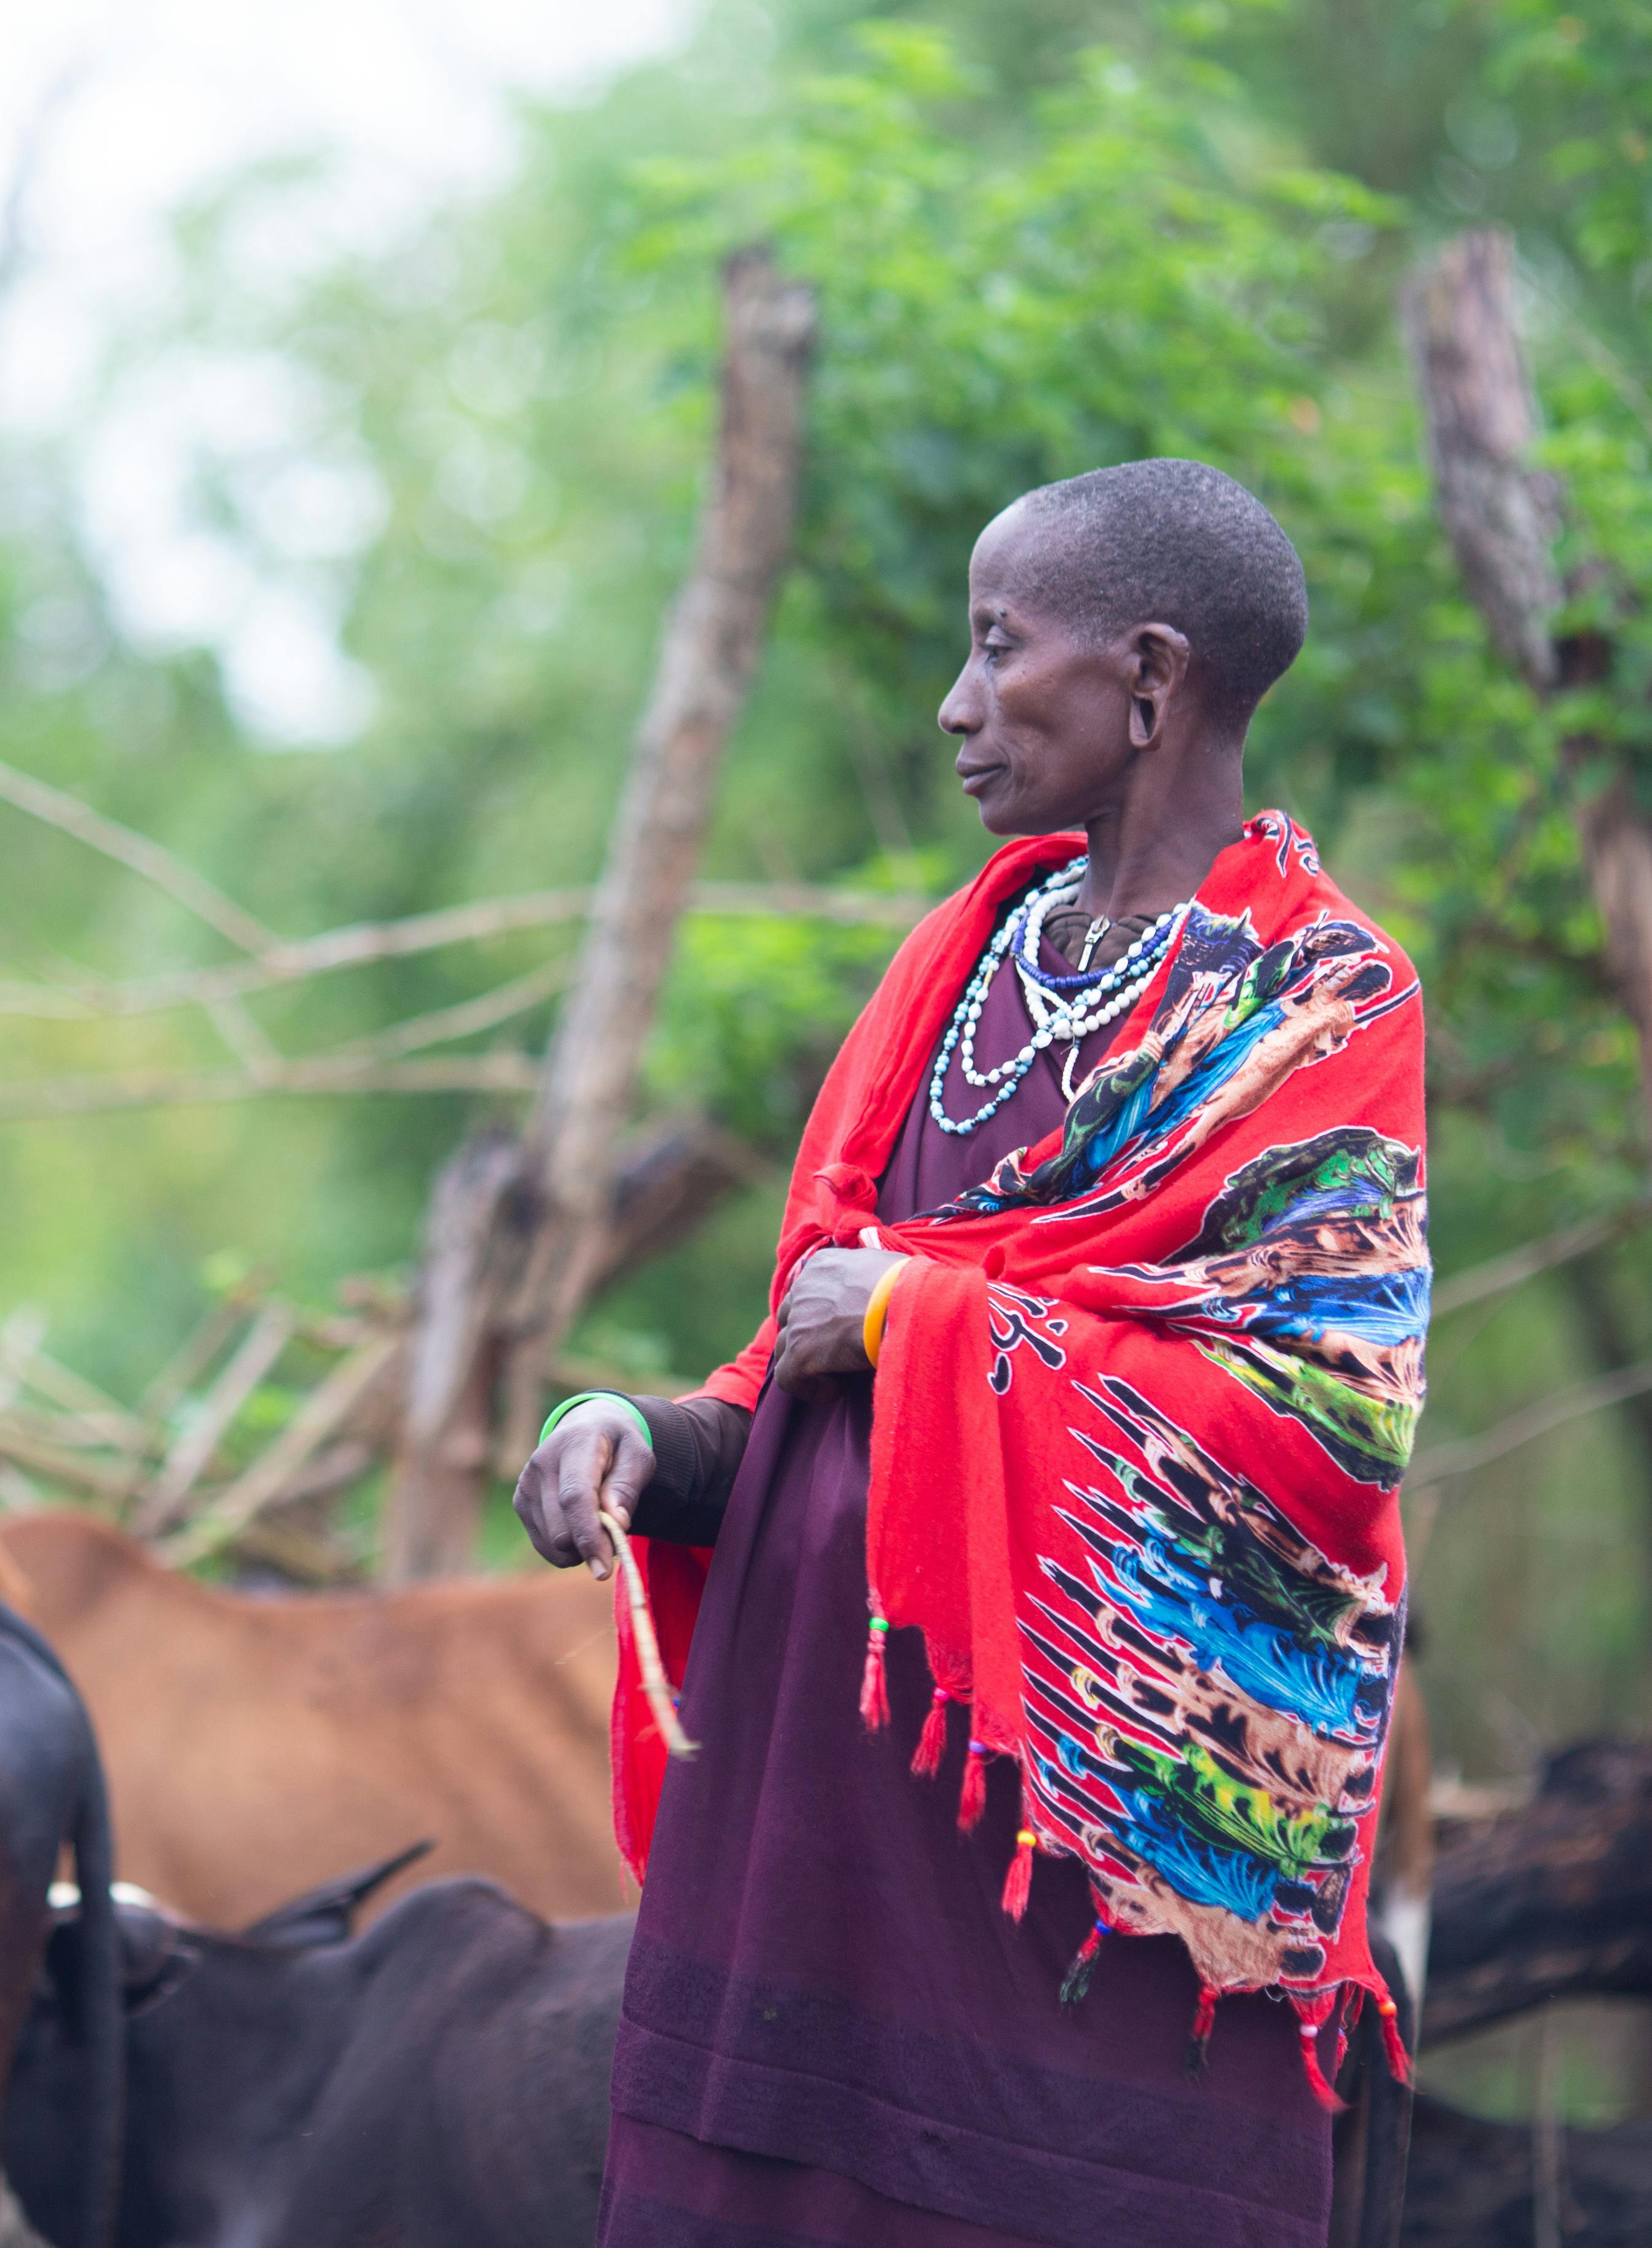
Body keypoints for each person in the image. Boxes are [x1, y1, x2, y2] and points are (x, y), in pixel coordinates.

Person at [515, 459, 1429, 2248]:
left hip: (1079, 1907)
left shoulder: (1320, 999)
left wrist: (931, 1318)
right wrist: (639, 1427)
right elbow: (809, 1366)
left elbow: (1326, 1420)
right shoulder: (962, 957)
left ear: (1151, 681)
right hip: (810, 1834)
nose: (956, 703)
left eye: (999, 648)